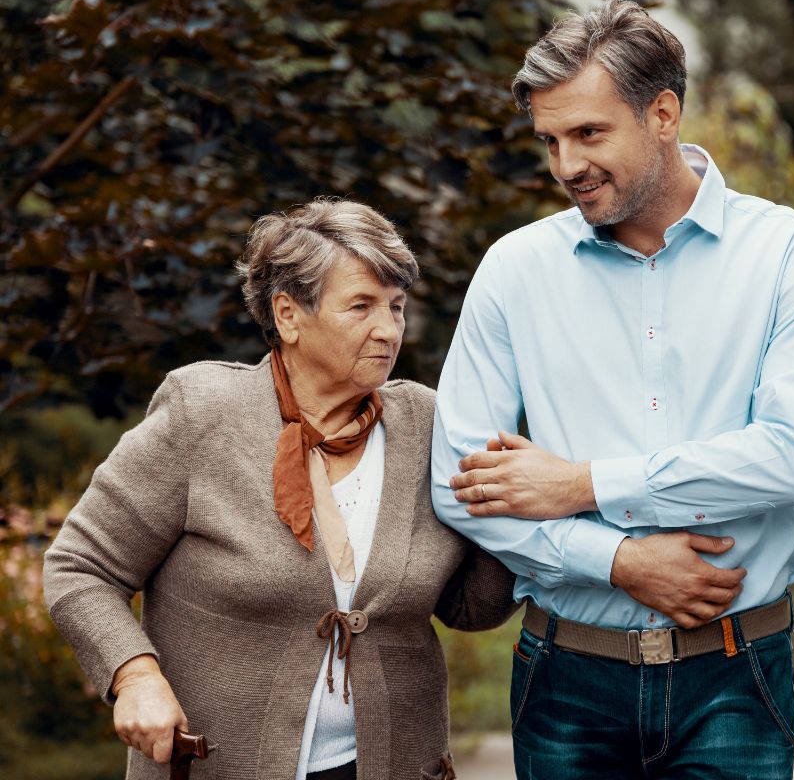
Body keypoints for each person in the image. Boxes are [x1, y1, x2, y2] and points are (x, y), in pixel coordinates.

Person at [430, 0, 794, 780]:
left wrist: (581, 485)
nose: (566, 166)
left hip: (736, 674)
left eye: (590, 133)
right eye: (550, 141)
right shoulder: (516, 270)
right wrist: (617, 559)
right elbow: (461, 484)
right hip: (565, 680)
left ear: (663, 112)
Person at [44, 199, 515, 780]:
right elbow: (81, 566)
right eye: (361, 306)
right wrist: (135, 676)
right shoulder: (203, 414)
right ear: (288, 316)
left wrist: (516, 520)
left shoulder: (425, 423)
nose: (389, 329)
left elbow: (469, 606)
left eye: (396, 307)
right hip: (220, 764)